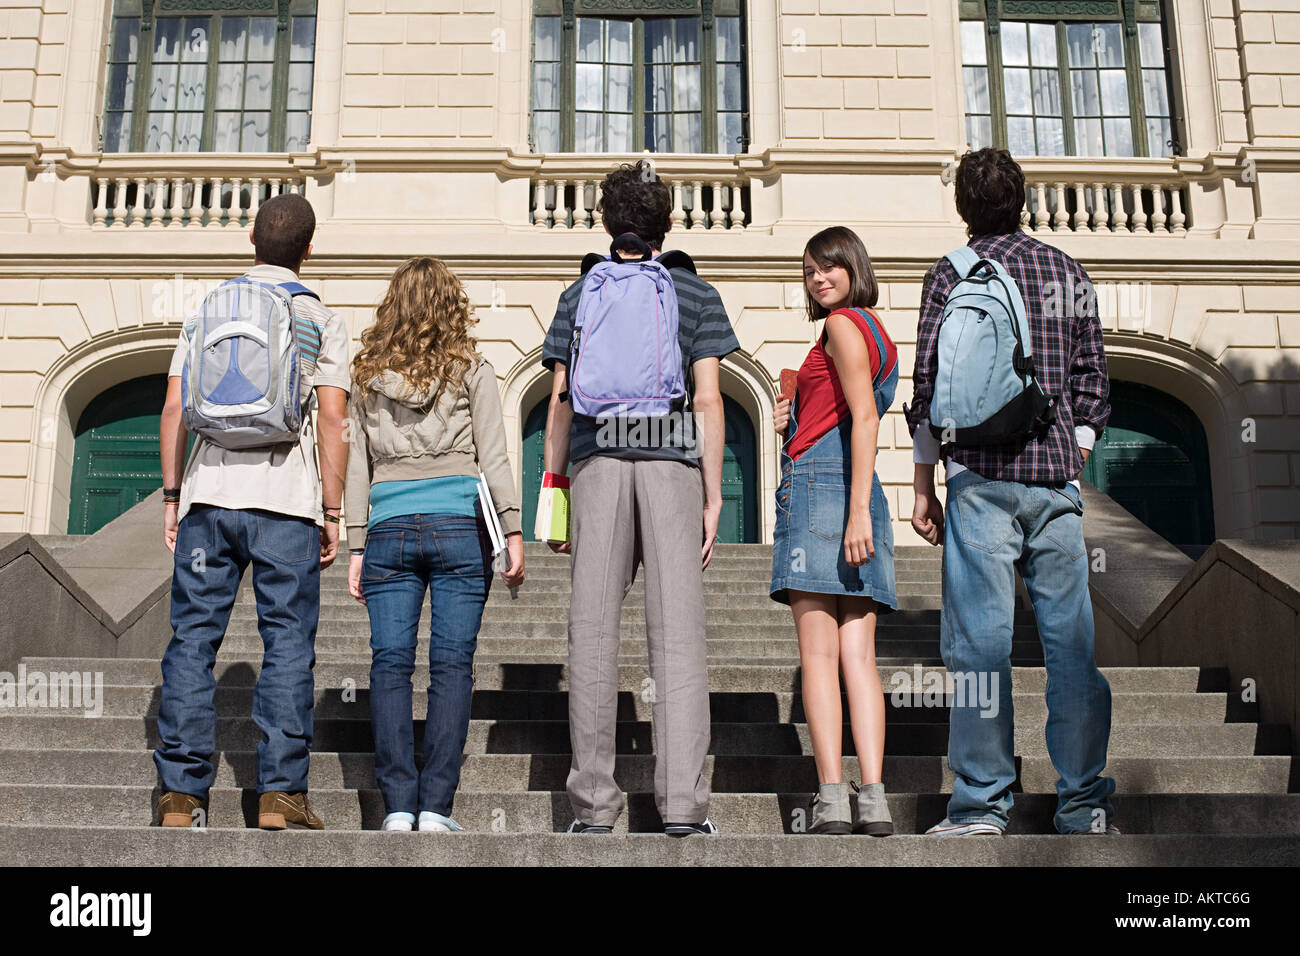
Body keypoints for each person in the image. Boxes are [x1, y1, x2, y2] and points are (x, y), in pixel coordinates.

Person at [906, 147, 1115, 837]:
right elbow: (1092, 375)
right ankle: (1082, 802)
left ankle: (982, 804)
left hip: (979, 480)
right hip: (1052, 480)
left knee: (978, 648)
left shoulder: (953, 273)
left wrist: (925, 483)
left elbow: (929, 385)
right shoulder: (1066, 269)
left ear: (964, 208)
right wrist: (1076, 449)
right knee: (1071, 646)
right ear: (1022, 199)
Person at [541, 160, 740, 836]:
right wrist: (713, 494)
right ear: (669, 223)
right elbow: (709, 400)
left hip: (596, 464)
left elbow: (563, 402)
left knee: (593, 631)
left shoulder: (580, 292)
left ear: (604, 222)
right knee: (677, 635)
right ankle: (683, 809)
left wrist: (554, 493)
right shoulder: (696, 294)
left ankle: (594, 809)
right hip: (672, 462)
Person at [154, 193, 350, 830]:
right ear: (309, 249)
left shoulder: (206, 309)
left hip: (209, 497)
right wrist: (332, 509)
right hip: (285, 503)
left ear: (251, 239)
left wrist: (172, 497)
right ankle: (279, 794)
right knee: (288, 643)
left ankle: (181, 796)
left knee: (191, 641)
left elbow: (176, 409)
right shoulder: (319, 314)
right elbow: (331, 417)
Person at [344, 256, 525, 833]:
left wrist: (354, 543)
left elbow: (355, 464)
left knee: (390, 664)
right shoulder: (473, 369)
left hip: (388, 526)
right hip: (458, 525)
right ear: (454, 305)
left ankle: (396, 803)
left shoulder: (366, 374)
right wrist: (513, 529)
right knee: (452, 665)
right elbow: (493, 455)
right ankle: (435, 807)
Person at [770, 226, 899, 836]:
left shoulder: (843, 325)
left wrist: (854, 514)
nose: (819, 278)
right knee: (859, 658)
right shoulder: (879, 334)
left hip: (829, 490)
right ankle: (872, 799)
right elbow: (854, 410)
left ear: (853, 266)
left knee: (819, 656)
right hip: (857, 486)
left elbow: (865, 416)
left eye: (830, 266)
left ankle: (830, 799)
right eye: (811, 270)